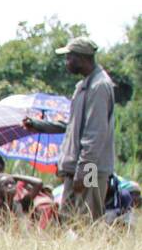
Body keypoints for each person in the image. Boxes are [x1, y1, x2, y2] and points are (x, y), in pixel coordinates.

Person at [31, 37, 115, 222]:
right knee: (69, 219)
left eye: (70, 58)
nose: (66, 62)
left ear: (82, 59)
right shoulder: (83, 86)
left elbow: (95, 132)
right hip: (78, 167)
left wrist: (84, 168)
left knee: (87, 219)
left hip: (91, 167)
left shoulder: (99, 86)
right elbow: (72, 125)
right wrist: (38, 125)